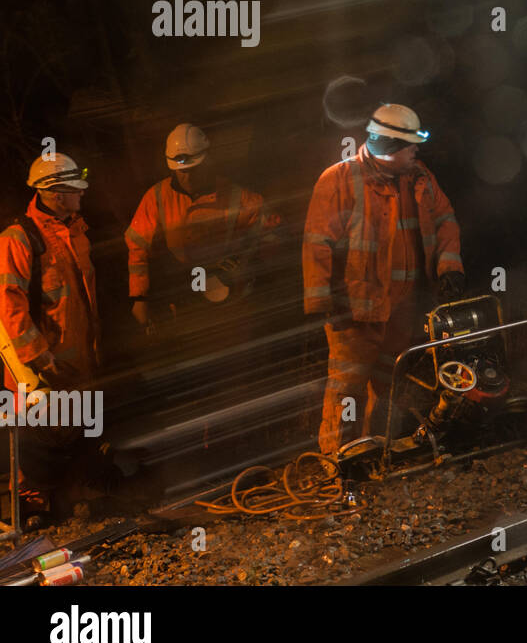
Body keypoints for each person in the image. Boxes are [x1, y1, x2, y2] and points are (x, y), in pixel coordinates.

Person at [303, 103, 465, 455]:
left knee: (389, 385)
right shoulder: (339, 180)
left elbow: (445, 220)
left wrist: (449, 267)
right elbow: (318, 242)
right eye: (409, 145)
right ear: (389, 146)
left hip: (401, 308)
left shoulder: (419, 177)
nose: (415, 151)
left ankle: (377, 453)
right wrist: (322, 301)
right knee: (348, 389)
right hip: (354, 312)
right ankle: (340, 462)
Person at [0, 153, 99, 527]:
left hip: (76, 358)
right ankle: (30, 506)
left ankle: (70, 498)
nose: (82, 196)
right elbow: (9, 306)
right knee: (33, 434)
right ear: (57, 193)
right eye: (76, 190)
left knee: (72, 426)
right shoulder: (19, 239)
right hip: (39, 365)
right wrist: (39, 358)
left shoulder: (74, 232)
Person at [124, 123, 280, 330]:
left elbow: (271, 233)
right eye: (182, 171)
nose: (188, 177)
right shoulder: (157, 198)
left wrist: (250, 263)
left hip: (231, 294)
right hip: (184, 292)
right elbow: (137, 248)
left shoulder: (237, 197)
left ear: (207, 162)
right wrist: (140, 298)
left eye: (194, 169)